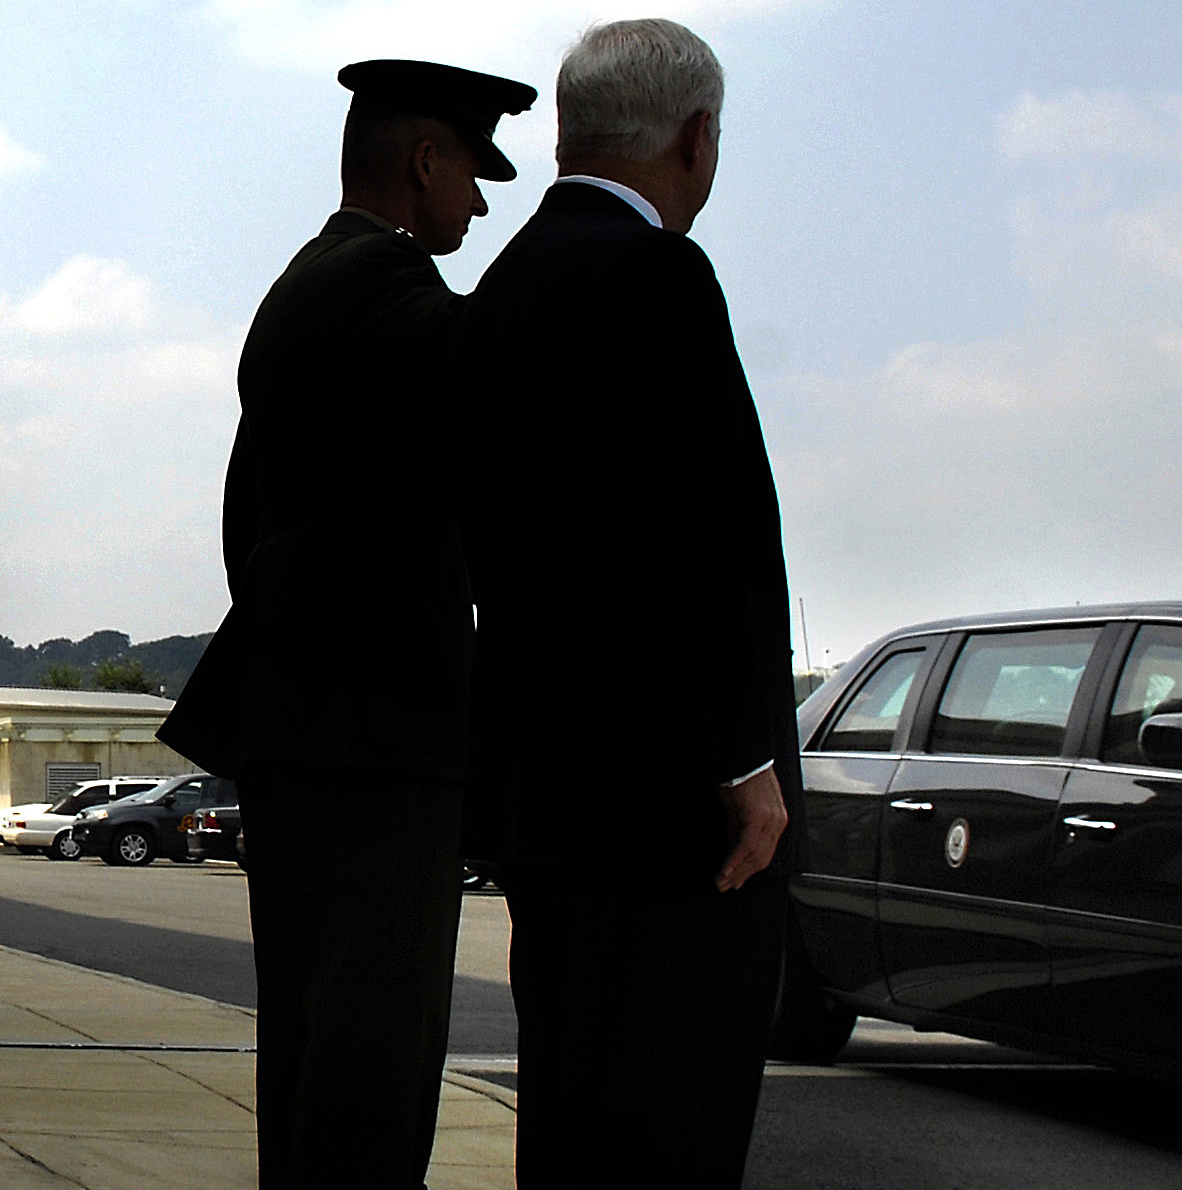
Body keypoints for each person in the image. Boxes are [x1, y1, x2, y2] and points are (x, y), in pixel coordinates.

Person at [157, 59, 536, 1190]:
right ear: (424, 161)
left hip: (309, 726)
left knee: (314, 1050)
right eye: (471, 177)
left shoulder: (305, 290)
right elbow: (507, 391)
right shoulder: (387, 293)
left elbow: (250, 520)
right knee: (377, 1060)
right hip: (377, 738)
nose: (477, 207)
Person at [455, 19, 802, 1188]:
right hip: (668, 808)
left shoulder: (498, 293)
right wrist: (743, 758)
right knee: (672, 1115)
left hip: (550, 792)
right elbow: (690, 538)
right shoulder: (658, 275)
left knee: (573, 1109)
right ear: (697, 137)